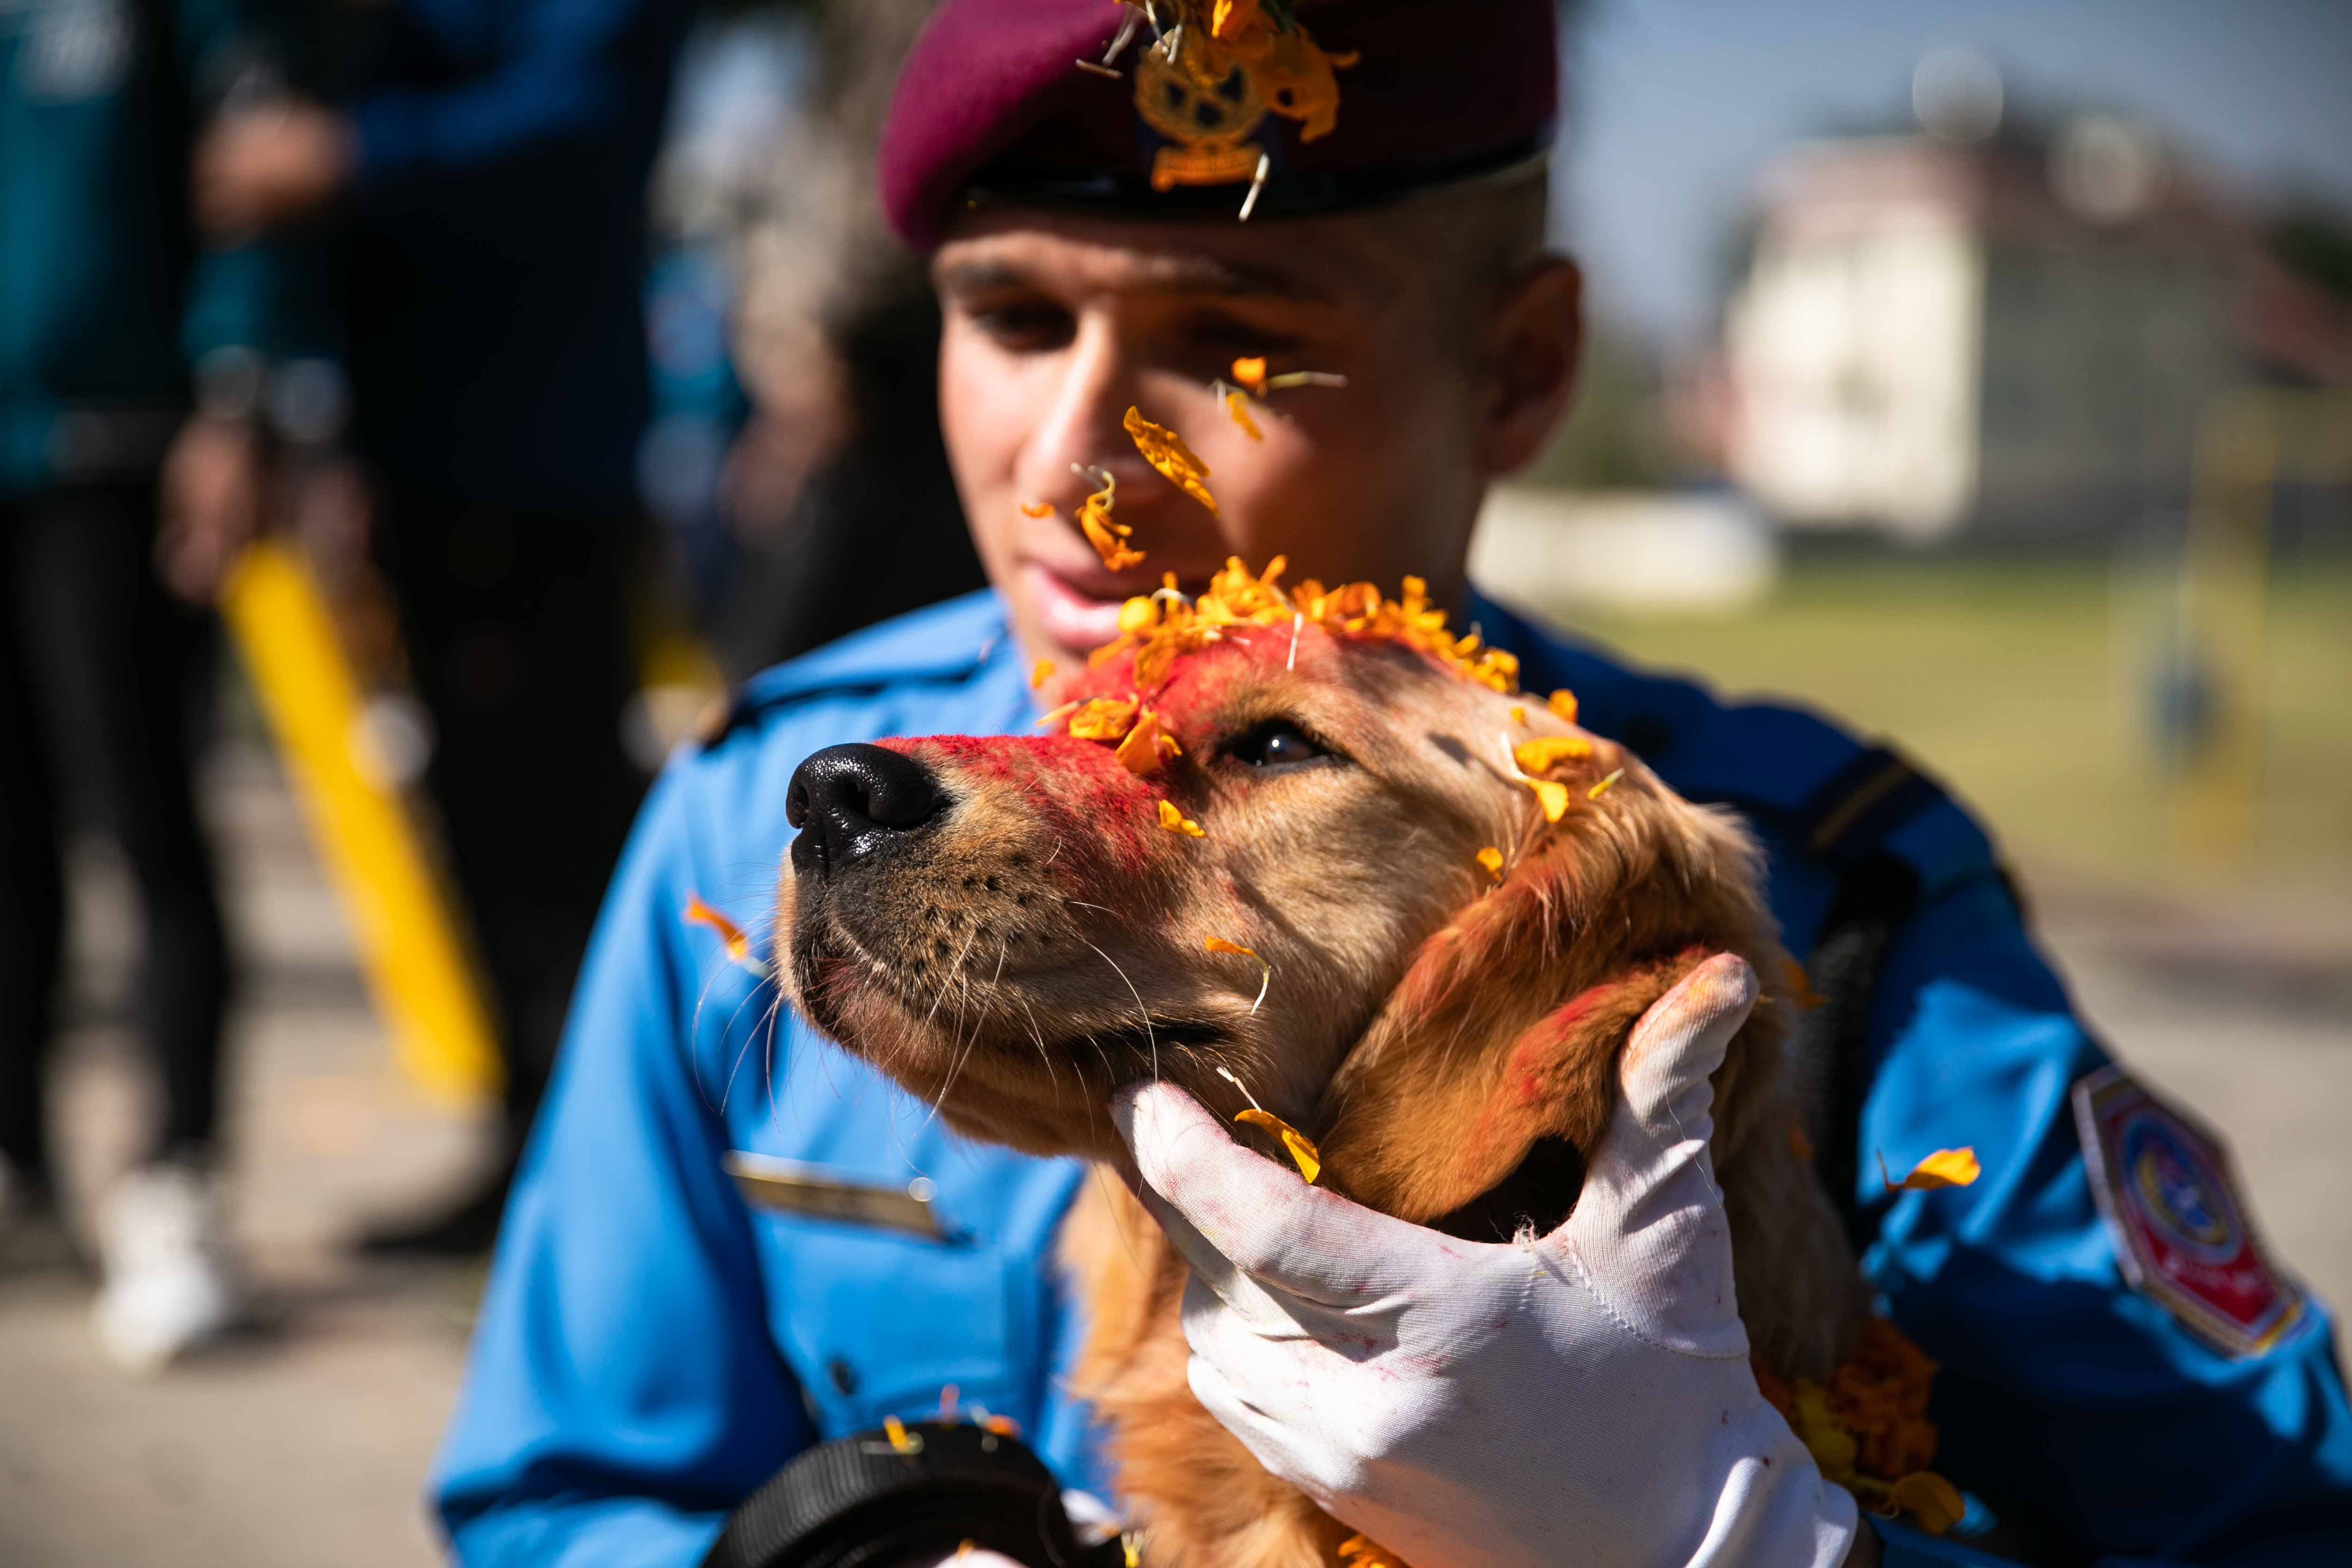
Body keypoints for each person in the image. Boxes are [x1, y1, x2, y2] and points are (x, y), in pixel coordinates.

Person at [431, 3, 2352, 1565]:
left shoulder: (1827, 911)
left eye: (1238, 342)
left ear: (1518, 374)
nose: (1071, 464)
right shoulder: (779, 803)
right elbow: (561, 1495)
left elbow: (2279, 1532)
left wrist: (1745, 1545)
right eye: (1014, 319)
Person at [185, 0, 694, 1252]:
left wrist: (352, 153)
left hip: (540, 460)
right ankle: (534, 1152)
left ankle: (618, 1181)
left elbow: (581, 119)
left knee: (558, 830)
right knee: (476, 823)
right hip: (422, 450)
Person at [0, 0, 308, 1368]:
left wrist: (236, 402)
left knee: (147, 821)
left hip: (116, 456)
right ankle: (16, 1163)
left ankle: (175, 1179)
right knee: (6, 841)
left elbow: (254, 182)